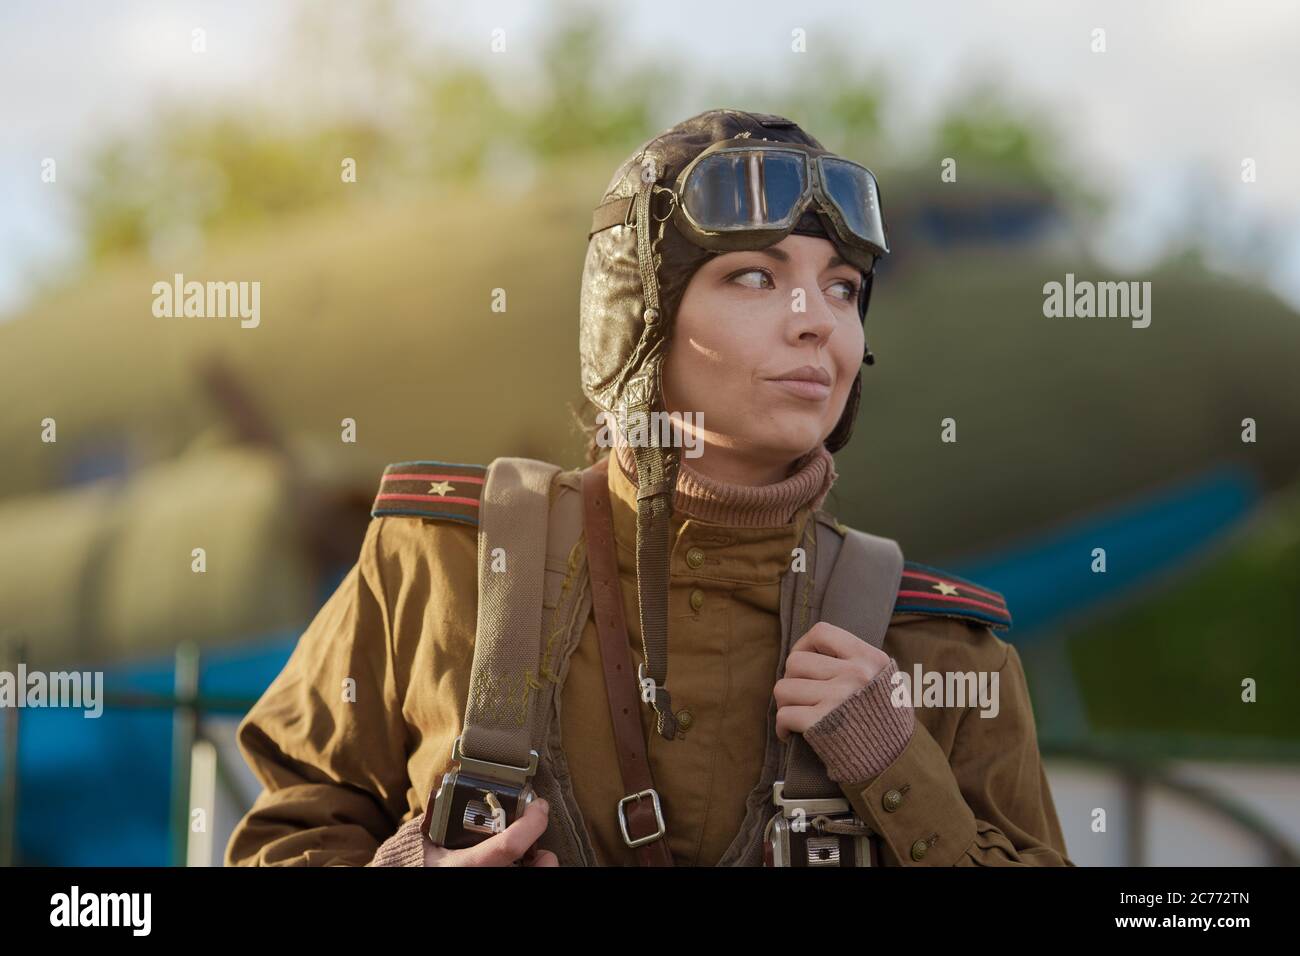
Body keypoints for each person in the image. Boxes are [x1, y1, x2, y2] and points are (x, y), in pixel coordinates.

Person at [226, 108, 1071, 867]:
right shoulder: (441, 568)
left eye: (843, 288)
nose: (816, 319)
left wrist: (898, 770)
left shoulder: (942, 651)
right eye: (755, 277)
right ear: (640, 318)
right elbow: (280, 838)